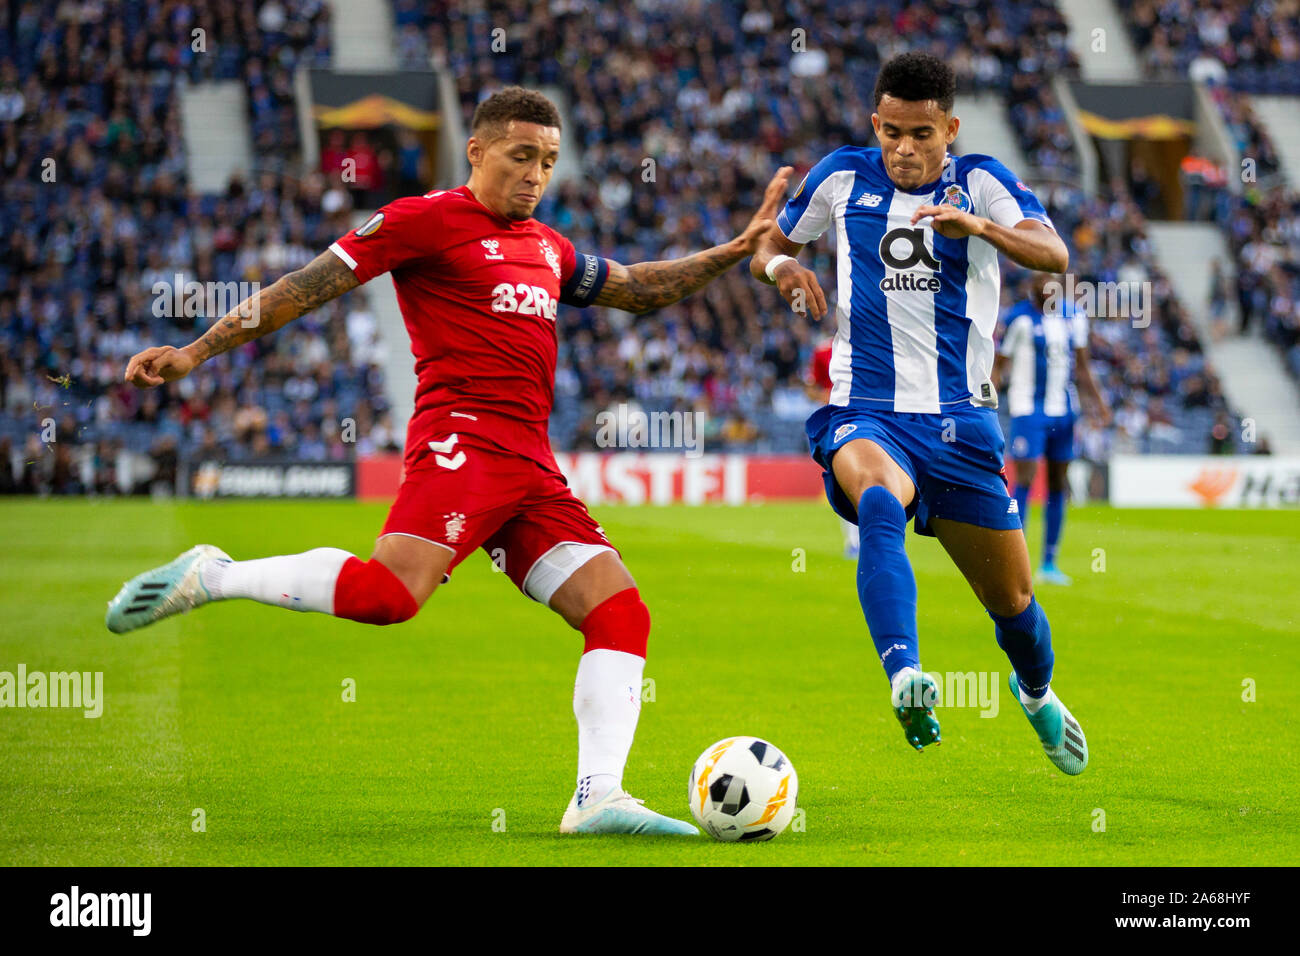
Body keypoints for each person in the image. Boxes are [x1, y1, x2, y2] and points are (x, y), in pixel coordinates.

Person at [107, 86, 792, 835]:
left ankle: (597, 796)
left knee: (619, 611)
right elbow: (302, 289)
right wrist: (196, 351)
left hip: (530, 466)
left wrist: (734, 250)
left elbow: (635, 289)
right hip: (461, 444)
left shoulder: (548, 246)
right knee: (388, 597)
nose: (536, 174)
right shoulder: (423, 220)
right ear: (477, 150)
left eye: (549, 161)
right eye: (521, 155)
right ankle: (215, 574)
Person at [750, 52, 1089, 774]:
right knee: (877, 498)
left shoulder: (984, 181)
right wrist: (785, 267)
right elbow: (768, 247)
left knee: (1015, 606)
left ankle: (1035, 693)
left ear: (950, 130)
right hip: (867, 409)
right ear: (876, 123)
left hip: (961, 422)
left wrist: (980, 228)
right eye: (892, 132)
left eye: (922, 135)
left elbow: (1053, 254)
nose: (904, 149)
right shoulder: (841, 176)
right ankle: (905, 672)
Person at [992, 272, 1110, 585]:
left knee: (1058, 483)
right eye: (1041, 281)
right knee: (1025, 479)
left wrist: (1099, 402)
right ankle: (1013, 561)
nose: (1046, 287)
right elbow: (1000, 363)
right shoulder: (1019, 318)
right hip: (1028, 410)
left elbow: (1082, 366)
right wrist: (988, 402)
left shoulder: (1074, 317)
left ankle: (1049, 563)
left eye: (1051, 281)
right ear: (1032, 285)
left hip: (1065, 411)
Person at [805, 337, 860, 558]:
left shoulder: (866, 339)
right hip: (836, 421)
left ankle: (863, 539)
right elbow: (811, 388)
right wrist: (828, 397)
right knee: (844, 478)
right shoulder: (822, 350)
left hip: (865, 417)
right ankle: (854, 541)